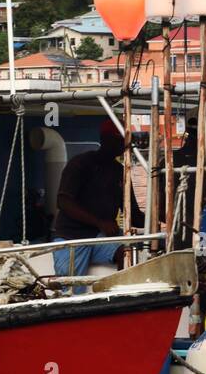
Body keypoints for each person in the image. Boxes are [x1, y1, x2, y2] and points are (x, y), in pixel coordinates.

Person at [52, 120, 144, 279]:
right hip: (72, 238)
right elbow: (63, 201)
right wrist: (100, 222)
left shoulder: (119, 171)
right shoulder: (80, 163)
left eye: (125, 140)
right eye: (119, 139)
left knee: (127, 252)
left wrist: (158, 219)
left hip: (100, 237)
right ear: (105, 139)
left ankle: (123, 297)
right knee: (69, 288)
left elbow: (133, 214)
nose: (124, 145)